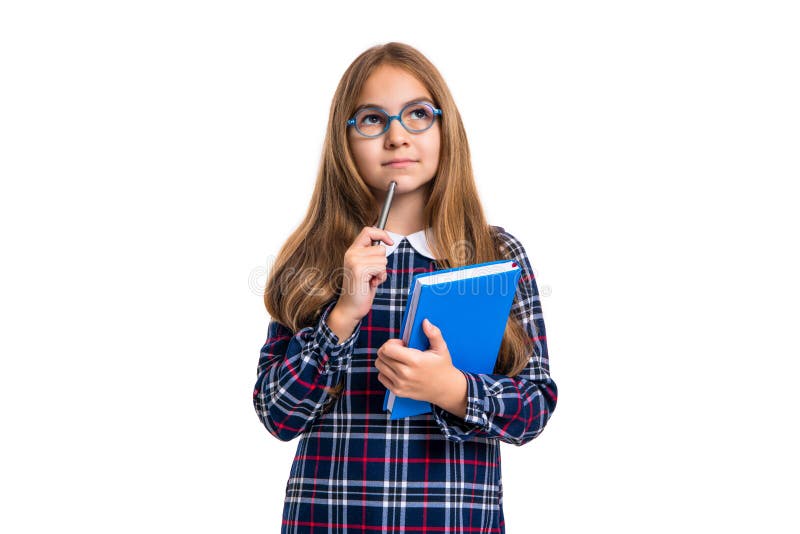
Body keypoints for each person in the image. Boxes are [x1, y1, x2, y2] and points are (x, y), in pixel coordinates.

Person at [253, 42, 558, 533]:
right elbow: (278, 415)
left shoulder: (494, 253)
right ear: (344, 140)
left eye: (417, 114)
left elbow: (535, 407)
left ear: (445, 128)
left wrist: (451, 389)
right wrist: (342, 315)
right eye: (372, 120)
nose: (396, 137)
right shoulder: (316, 256)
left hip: (452, 521)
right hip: (329, 520)